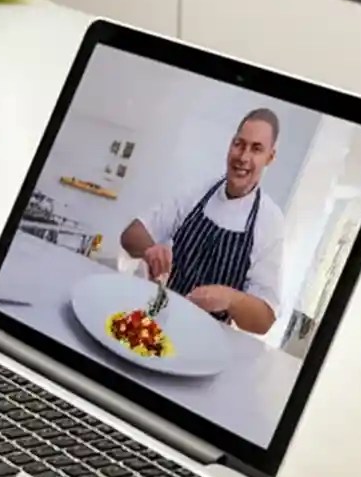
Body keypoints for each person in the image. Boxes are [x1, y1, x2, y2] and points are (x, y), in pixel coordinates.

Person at [119, 108, 285, 334]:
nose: (243, 157)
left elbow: (264, 320)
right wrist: (150, 250)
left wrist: (231, 298)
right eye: (239, 144)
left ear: (270, 157)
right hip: (157, 324)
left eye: (256, 149)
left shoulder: (270, 221)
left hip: (207, 342)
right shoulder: (196, 194)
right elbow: (130, 234)